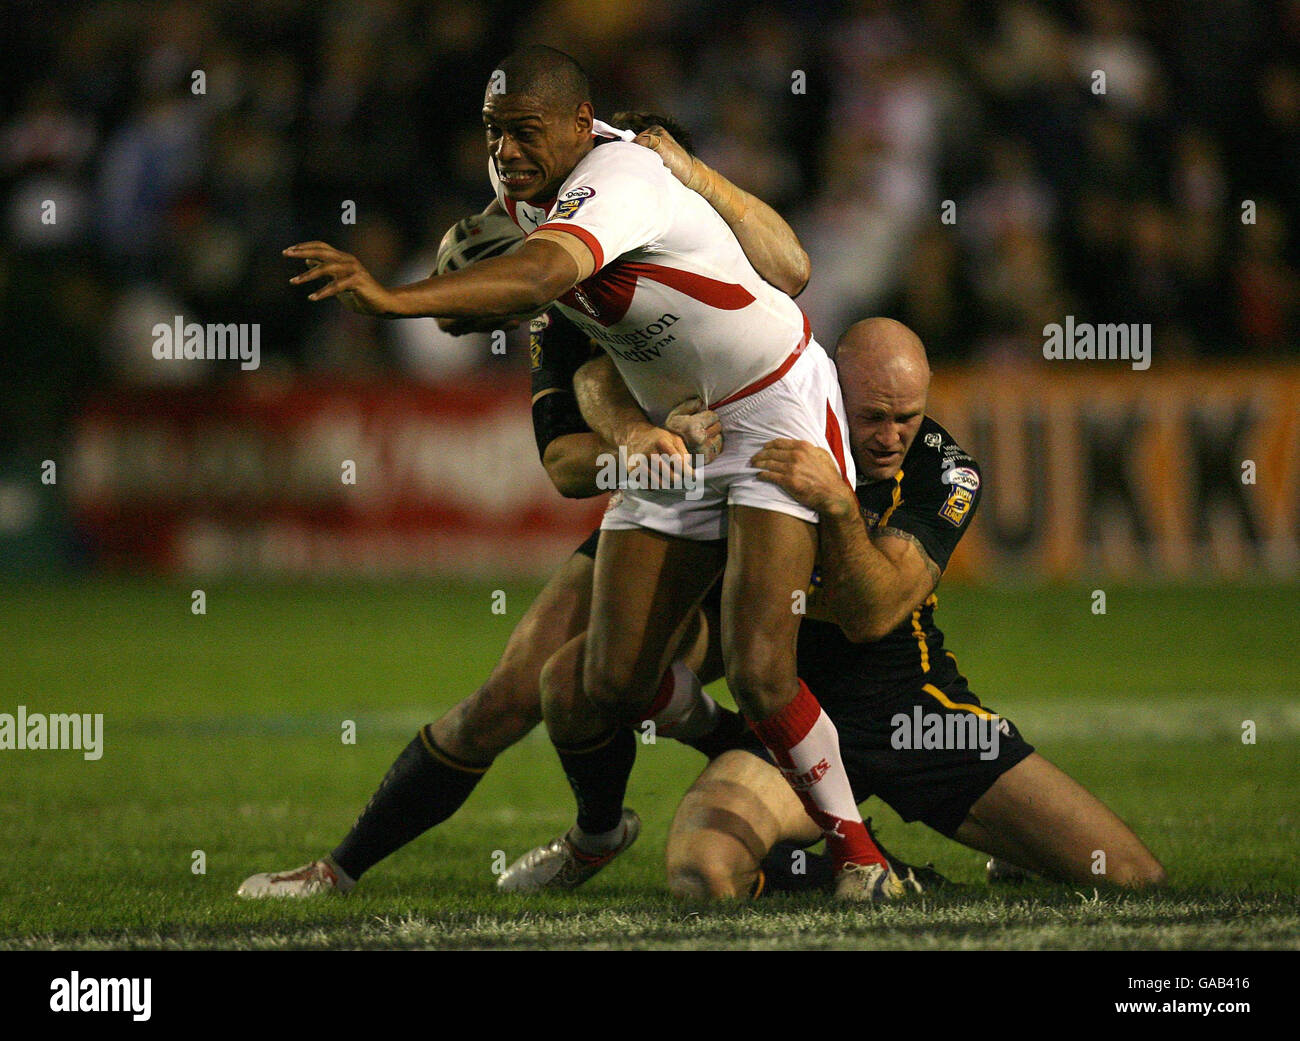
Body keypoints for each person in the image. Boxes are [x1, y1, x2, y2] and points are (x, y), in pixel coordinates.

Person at [284, 46, 900, 901]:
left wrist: (398, 300)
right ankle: (672, 780)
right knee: (602, 680)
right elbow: (575, 423)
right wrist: (634, 432)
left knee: (764, 664)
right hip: (684, 437)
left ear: (581, 126)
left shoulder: (621, 181)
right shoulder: (521, 193)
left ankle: (863, 860)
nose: (503, 152)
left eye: (522, 132)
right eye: (493, 134)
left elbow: (542, 276)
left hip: (768, 407)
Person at [661, 317, 1168, 899]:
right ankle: (864, 869)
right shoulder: (768, 436)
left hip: (916, 716)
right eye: (872, 417)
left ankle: (1018, 850)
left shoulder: (944, 469)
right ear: (831, 391)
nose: (891, 436)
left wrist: (839, 506)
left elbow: (871, 616)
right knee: (702, 875)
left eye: (908, 416)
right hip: (795, 724)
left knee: (1131, 877)